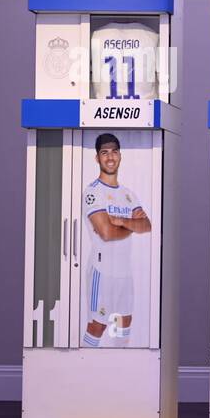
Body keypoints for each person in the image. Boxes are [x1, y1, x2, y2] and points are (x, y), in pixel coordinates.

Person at [83, 133, 151, 348]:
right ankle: (84, 367)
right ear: (97, 158)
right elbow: (106, 233)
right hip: (102, 272)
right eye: (104, 153)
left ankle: (120, 370)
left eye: (114, 152)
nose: (110, 157)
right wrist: (132, 225)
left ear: (120, 156)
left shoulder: (128, 194)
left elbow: (147, 225)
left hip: (124, 272)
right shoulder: (93, 192)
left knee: (124, 321)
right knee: (98, 325)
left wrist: (121, 220)